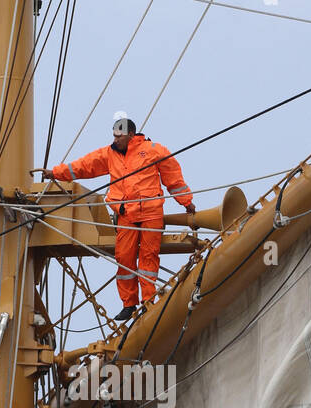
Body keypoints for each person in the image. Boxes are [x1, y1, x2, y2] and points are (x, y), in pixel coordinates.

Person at [40, 111, 195, 320]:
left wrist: (186, 202)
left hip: (151, 214)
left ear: (131, 134)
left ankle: (149, 301)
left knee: (148, 258)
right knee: (124, 260)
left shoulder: (153, 151)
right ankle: (129, 304)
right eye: (113, 136)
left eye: (119, 136)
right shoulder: (108, 154)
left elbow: (173, 178)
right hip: (126, 216)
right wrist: (56, 173)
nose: (115, 139)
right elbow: (84, 166)